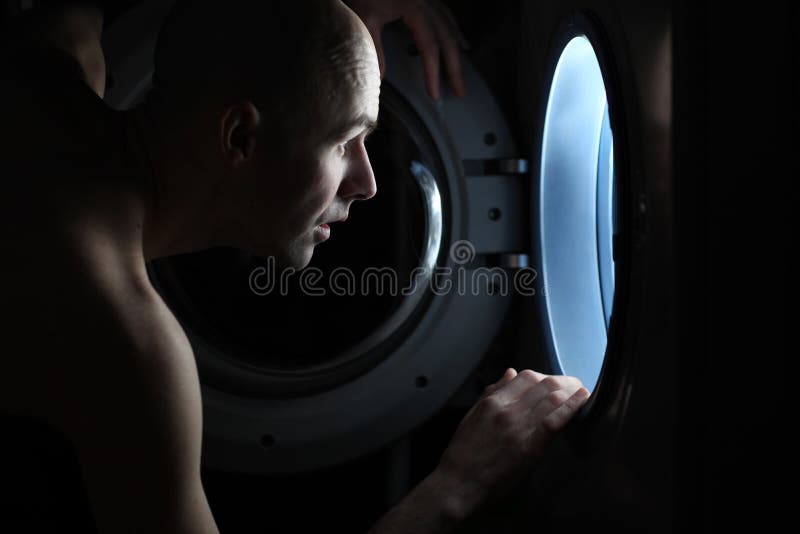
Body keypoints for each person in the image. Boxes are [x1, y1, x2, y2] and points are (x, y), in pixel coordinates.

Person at [0, 1, 590, 532]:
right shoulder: (127, 351)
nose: (368, 183)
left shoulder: (54, 50)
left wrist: (321, 33)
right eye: (344, 141)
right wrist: (459, 485)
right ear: (239, 136)